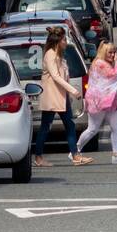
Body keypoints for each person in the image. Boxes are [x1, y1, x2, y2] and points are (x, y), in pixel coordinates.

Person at [33, 27, 90, 167]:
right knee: (46, 127)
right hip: (52, 97)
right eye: (64, 39)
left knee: (69, 125)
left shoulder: (59, 54)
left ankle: (75, 155)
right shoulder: (50, 55)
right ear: (57, 41)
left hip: (61, 97)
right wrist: (73, 90)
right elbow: (55, 76)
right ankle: (38, 157)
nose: (66, 42)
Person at [75, 41, 117, 163]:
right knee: (92, 129)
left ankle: (116, 155)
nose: (112, 55)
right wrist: (116, 61)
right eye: (110, 52)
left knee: (116, 127)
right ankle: (75, 150)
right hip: (99, 102)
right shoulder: (100, 63)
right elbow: (114, 75)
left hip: (109, 102)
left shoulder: (103, 63)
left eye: (114, 52)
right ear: (103, 52)